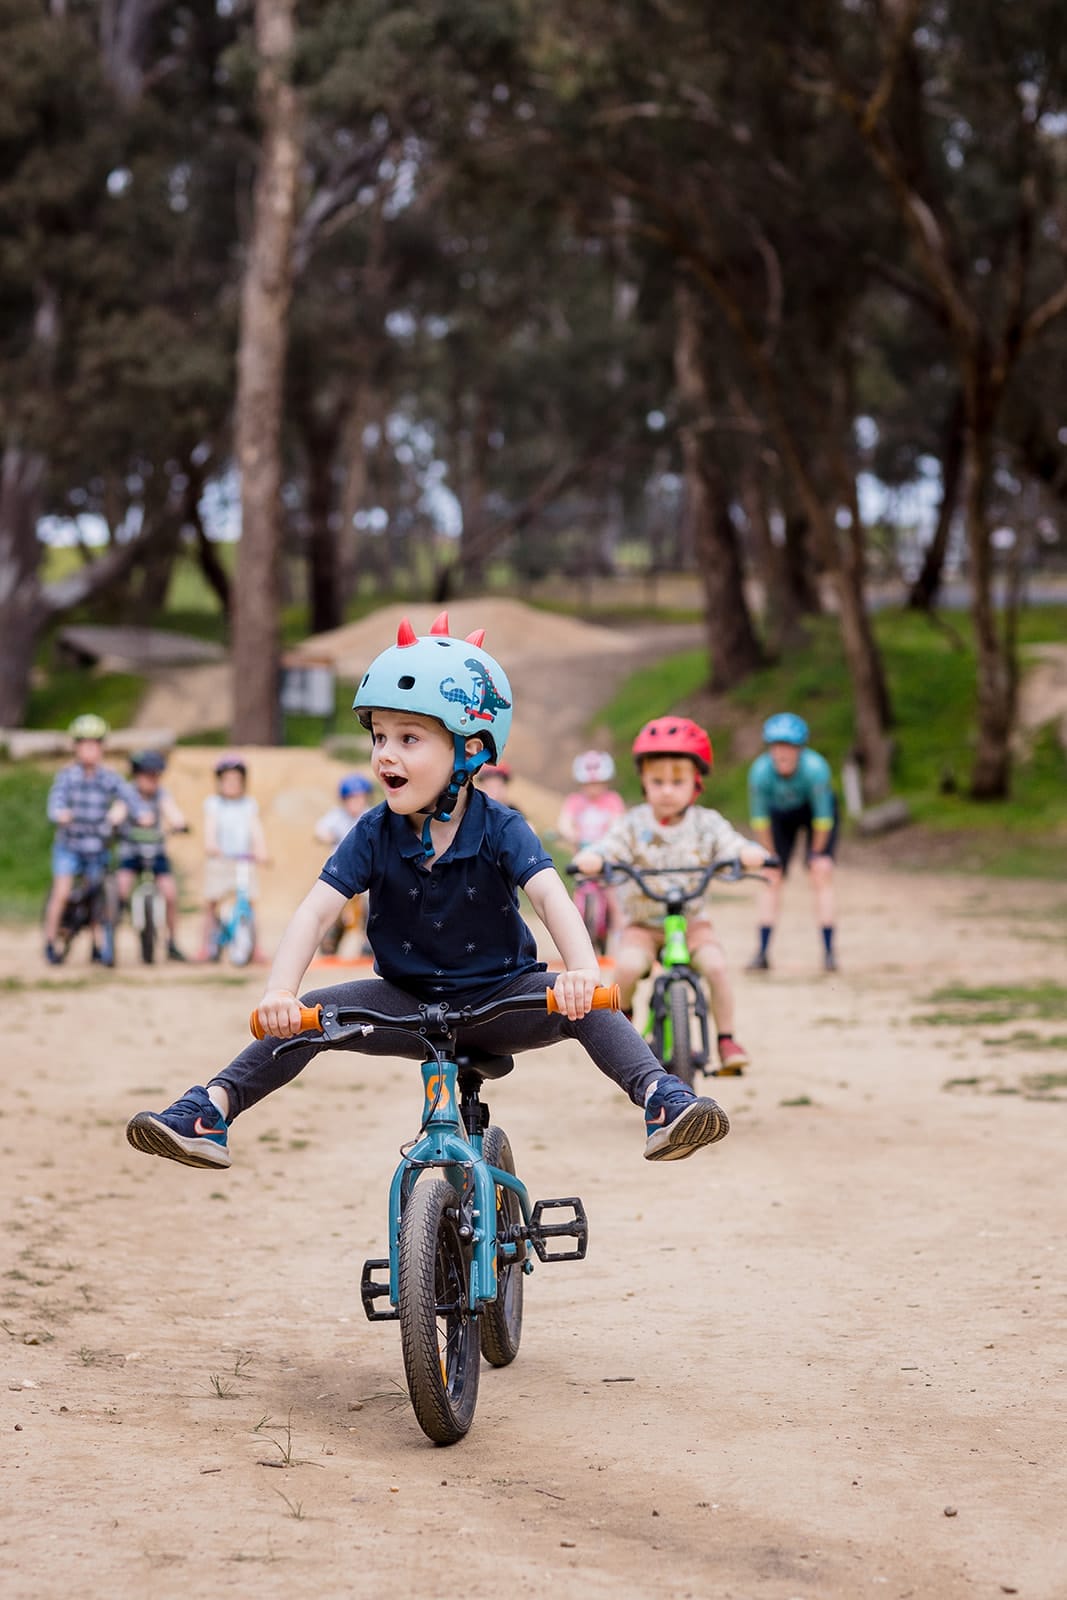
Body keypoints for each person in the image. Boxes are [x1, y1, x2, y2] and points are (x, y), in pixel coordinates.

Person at [126, 613, 730, 1170]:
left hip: (505, 996)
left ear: (470, 749)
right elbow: (314, 915)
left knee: (595, 1004)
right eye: (380, 737)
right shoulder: (370, 833)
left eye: (409, 739)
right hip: (405, 1001)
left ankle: (663, 1099)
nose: (386, 754)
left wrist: (579, 972)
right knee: (306, 1019)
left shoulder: (502, 826)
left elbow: (552, 897)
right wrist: (280, 991)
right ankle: (209, 1111)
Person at [572, 716, 774, 1075]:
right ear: (644, 783)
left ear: (696, 784)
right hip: (643, 924)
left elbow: (730, 844)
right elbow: (611, 846)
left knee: (716, 966)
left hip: (692, 923)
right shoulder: (633, 824)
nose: (667, 790)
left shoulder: (706, 823)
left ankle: (726, 1040)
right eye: (657, 781)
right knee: (628, 968)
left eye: (677, 781)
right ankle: (627, 1027)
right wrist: (595, 858)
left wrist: (746, 854)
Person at [746, 712, 840, 973]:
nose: (782, 754)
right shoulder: (760, 773)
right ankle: (762, 952)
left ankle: (829, 952)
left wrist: (817, 853)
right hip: (780, 815)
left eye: (788, 747)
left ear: (800, 749)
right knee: (770, 876)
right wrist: (770, 856)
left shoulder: (816, 769)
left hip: (815, 814)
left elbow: (823, 818)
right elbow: (760, 820)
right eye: (776, 747)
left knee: (821, 872)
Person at [43, 714, 135, 965]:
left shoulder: (109, 777)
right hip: (70, 845)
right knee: (62, 891)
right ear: (76, 747)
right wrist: (60, 813)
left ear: (102, 747)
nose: (90, 749)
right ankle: (50, 940)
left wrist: (128, 811)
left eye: (95, 744)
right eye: (84, 744)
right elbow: (56, 800)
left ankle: (99, 944)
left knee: (98, 897)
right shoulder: (68, 776)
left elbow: (129, 797)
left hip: (98, 845)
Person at [113, 750, 189, 961]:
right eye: (148, 775)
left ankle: (172, 941)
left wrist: (179, 823)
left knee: (170, 894)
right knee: (120, 891)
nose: (152, 780)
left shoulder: (161, 794)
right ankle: (110, 937)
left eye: (156, 775)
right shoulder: (127, 793)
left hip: (155, 853)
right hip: (131, 852)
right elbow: (117, 813)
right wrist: (115, 822)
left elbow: (172, 812)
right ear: (137, 775)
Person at [198, 753, 269, 962]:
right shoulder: (213, 804)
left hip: (243, 861)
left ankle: (256, 948)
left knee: (250, 902)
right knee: (211, 903)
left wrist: (261, 850)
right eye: (227, 780)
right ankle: (205, 946)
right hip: (220, 860)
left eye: (236, 781)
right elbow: (210, 827)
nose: (231, 785)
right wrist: (211, 845)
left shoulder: (248, 804)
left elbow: (256, 829)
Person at [314, 773, 375, 956]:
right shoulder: (337, 817)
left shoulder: (370, 815)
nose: (355, 803)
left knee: (370, 902)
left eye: (359, 798)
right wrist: (326, 836)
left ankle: (369, 939)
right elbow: (321, 830)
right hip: (340, 872)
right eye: (351, 799)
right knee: (334, 904)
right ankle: (329, 939)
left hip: (366, 872)